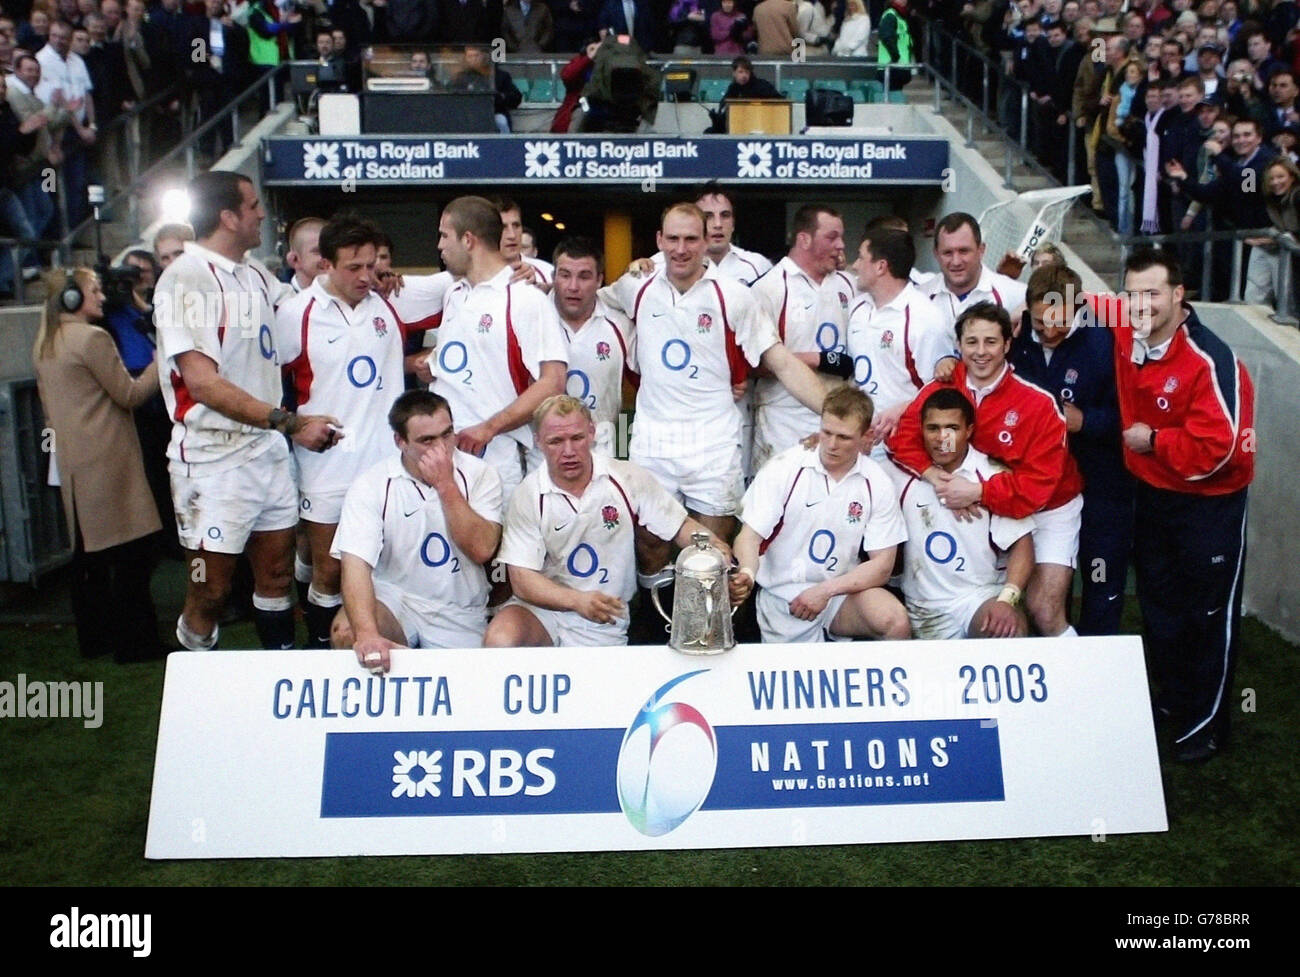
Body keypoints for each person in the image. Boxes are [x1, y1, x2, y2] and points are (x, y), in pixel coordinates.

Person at [153, 170, 339, 651]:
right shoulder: (185, 279)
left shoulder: (256, 274)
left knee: (276, 574)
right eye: (253, 205)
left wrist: (373, 278)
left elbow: (312, 311)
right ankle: (193, 666)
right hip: (212, 460)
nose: (261, 214)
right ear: (228, 216)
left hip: (266, 451)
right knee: (210, 589)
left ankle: (278, 671)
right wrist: (290, 423)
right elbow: (204, 384)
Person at [607, 201, 829, 577]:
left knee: (707, 556)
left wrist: (833, 411)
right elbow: (580, 302)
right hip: (651, 444)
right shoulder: (635, 286)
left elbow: (782, 362)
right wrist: (533, 277)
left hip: (714, 447)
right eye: (673, 238)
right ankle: (656, 624)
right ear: (659, 240)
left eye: (691, 239)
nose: (681, 248)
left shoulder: (734, 296)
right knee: (649, 545)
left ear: (705, 241)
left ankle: (704, 631)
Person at [1111, 248, 1255, 762]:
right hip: (1152, 499)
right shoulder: (1128, 328)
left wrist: (1155, 440)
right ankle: (1172, 703)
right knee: (1160, 608)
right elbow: (1082, 303)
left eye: (1152, 293)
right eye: (1132, 294)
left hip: (1207, 505)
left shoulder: (1209, 361)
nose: (1140, 305)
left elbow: (1222, 448)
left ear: (1178, 295)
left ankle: (1207, 725)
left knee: (1208, 615)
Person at [887, 301, 1083, 639]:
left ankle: (1078, 687)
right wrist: (936, 478)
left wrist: (978, 492)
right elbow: (903, 438)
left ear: (1007, 345)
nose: (981, 352)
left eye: (991, 342)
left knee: (1044, 610)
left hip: (1048, 507)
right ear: (958, 345)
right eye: (972, 342)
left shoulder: (1038, 403)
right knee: (996, 607)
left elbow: (1036, 489)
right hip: (986, 506)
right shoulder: (942, 388)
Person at [485, 395, 731, 647]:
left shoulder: (627, 477)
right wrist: (576, 600)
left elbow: (681, 527)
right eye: (556, 441)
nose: (568, 451)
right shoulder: (528, 494)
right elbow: (522, 580)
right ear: (538, 442)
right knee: (501, 637)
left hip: (604, 615)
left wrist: (715, 549)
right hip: (545, 611)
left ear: (592, 433)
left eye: (576, 438)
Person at [275, 214, 414, 649]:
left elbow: (466, 284)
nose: (366, 276)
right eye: (353, 267)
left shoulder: (391, 303)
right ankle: (321, 647)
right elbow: (260, 384)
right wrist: (292, 426)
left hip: (388, 466)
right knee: (330, 568)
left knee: (388, 564)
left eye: (372, 266)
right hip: (327, 465)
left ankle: (384, 638)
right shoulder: (294, 313)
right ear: (326, 265)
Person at [33, 267, 166, 661]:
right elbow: (129, 394)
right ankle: (136, 643)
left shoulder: (47, 341)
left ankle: (97, 640)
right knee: (133, 560)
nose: (103, 297)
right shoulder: (91, 338)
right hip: (109, 460)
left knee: (91, 561)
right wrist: (161, 362)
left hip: (75, 463)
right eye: (94, 290)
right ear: (71, 298)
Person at [330, 390, 502, 672]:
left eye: (447, 435)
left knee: (465, 699)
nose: (442, 449)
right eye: (427, 440)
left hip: (459, 608)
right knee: (348, 632)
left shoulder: (481, 474)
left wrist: (445, 484)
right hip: (396, 599)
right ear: (400, 442)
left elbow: (481, 549)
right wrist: (367, 635)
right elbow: (356, 565)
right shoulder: (371, 484)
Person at [734, 385, 910, 644]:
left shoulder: (877, 481)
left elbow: (883, 565)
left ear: (866, 436)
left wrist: (825, 591)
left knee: (895, 620)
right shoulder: (785, 468)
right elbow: (748, 537)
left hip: (839, 593)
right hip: (783, 597)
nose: (831, 445)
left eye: (844, 437)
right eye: (826, 432)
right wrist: (747, 573)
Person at [1011, 263, 1132, 635]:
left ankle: (1097, 668)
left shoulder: (1106, 343)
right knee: (1045, 582)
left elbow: (1133, 421)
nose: (1048, 331)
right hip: (1039, 488)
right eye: (1039, 321)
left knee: (1100, 580)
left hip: (1101, 485)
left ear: (1079, 307)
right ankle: (1050, 665)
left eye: (1059, 323)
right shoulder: (1014, 336)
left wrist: (1087, 422)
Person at [429, 195, 567, 498]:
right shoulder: (453, 293)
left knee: (494, 545)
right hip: (442, 452)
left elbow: (553, 382)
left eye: (444, 236)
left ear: (468, 240)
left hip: (494, 454)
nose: (439, 246)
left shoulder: (525, 298)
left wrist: (489, 428)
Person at [886, 387, 1035, 639]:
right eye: (932, 428)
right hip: (920, 608)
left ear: (969, 430)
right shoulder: (899, 473)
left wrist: (1006, 600)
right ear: (920, 429)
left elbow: (1022, 544)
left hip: (976, 599)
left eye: (952, 428)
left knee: (1008, 630)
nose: (942, 438)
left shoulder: (992, 476)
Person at [749, 204, 857, 471]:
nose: (841, 245)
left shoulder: (849, 284)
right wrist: (816, 360)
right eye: (832, 237)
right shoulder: (769, 287)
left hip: (839, 420)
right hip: (784, 422)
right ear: (804, 239)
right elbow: (753, 364)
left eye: (841, 237)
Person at [845, 226, 955, 455]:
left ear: (881, 266)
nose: (855, 266)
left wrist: (901, 410)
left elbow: (942, 392)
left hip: (906, 447)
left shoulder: (925, 318)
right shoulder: (857, 308)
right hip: (862, 444)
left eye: (861, 258)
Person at [551, 236, 634, 457]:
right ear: (553, 277)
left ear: (599, 280)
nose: (573, 286)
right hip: (543, 451)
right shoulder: (530, 318)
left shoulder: (620, 324)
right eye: (565, 275)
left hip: (600, 448)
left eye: (584, 277)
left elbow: (648, 384)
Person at [920, 212, 1028, 332]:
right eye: (948, 253)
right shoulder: (919, 298)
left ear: (981, 250)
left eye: (963, 251)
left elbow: (1050, 304)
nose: (956, 262)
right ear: (936, 254)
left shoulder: (1015, 294)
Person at [877, 0, 914, 92]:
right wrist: (895, 56)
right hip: (891, 66)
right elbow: (887, 37)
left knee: (896, 95)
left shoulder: (900, 16)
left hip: (899, 65)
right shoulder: (891, 15)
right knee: (892, 96)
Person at [284, 215, 325, 293]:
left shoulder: (349, 298)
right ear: (294, 260)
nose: (329, 257)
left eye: (332, 249)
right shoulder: (277, 300)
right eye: (319, 251)